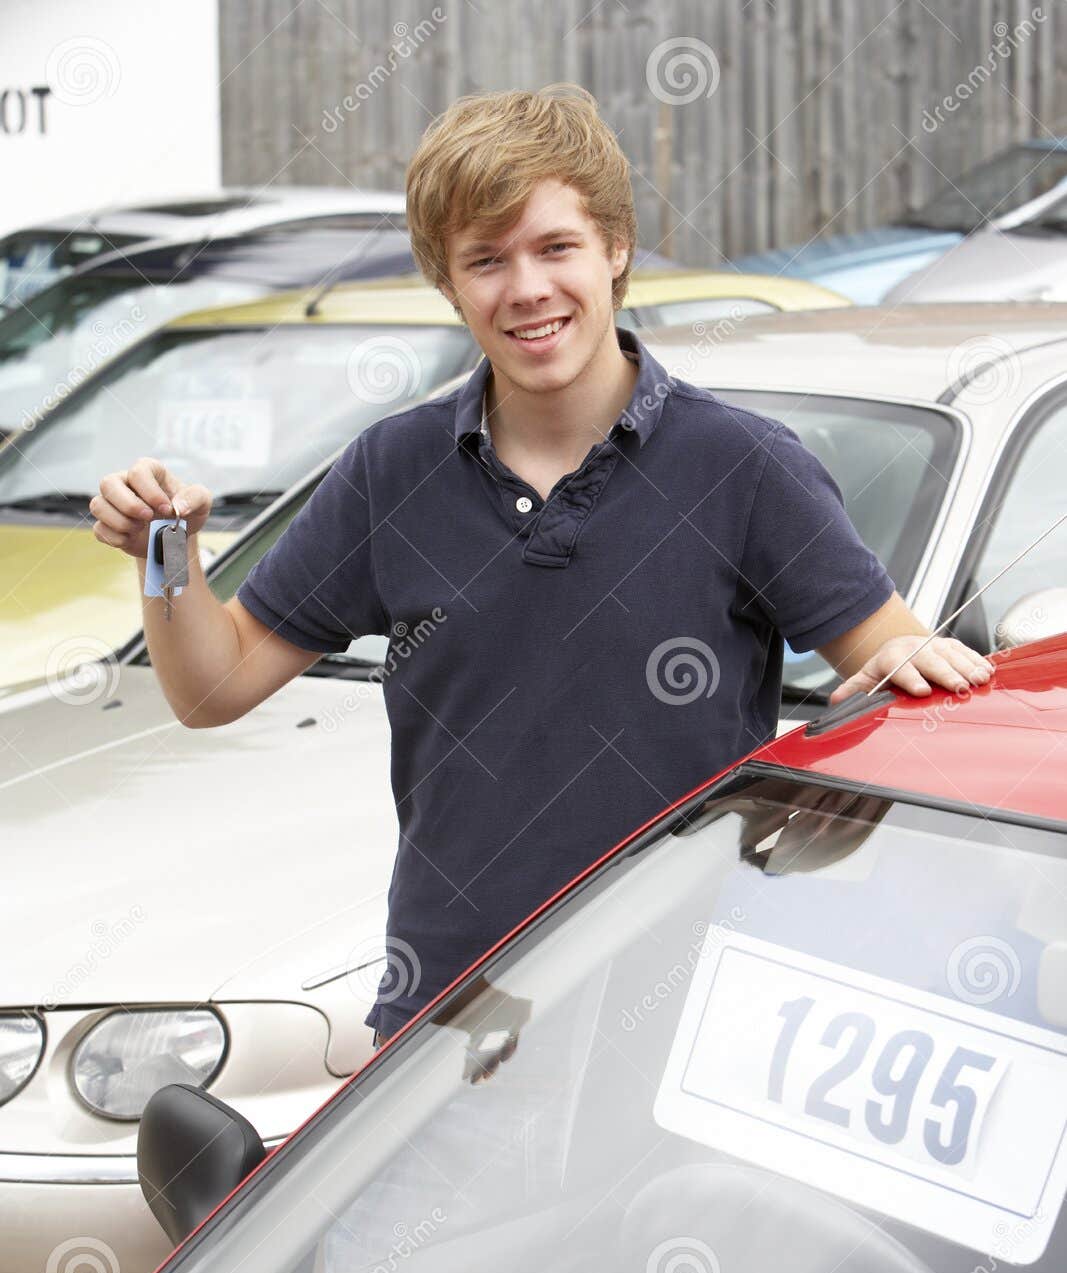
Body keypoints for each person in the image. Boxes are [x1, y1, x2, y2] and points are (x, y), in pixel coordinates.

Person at [89, 83, 992, 1059]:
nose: (525, 289)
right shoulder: (391, 471)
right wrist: (164, 553)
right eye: (485, 259)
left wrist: (892, 700)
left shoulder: (742, 466)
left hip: (677, 1017)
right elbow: (211, 689)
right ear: (447, 282)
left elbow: (898, 676)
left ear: (615, 249)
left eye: (555, 247)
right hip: (449, 1024)